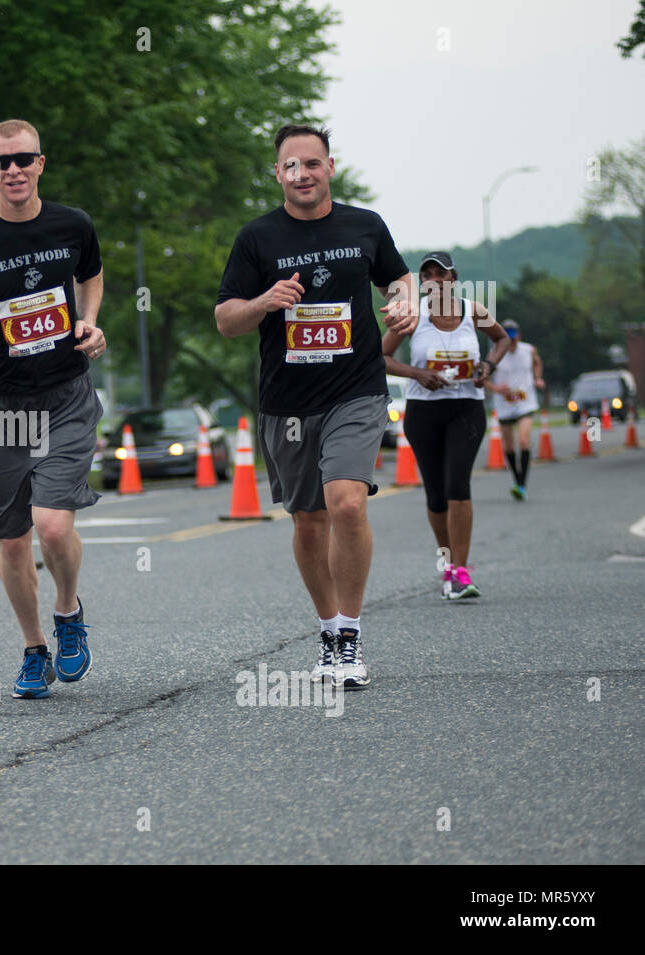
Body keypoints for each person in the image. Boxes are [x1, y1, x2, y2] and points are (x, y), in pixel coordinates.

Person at [215, 124, 417, 690]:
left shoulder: (364, 226)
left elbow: (398, 279)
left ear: (331, 166)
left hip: (356, 388)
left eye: (312, 163)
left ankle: (349, 636)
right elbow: (226, 320)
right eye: (290, 167)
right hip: (288, 402)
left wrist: (406, 304)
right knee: (309, 521)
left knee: (347, 504)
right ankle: (327, 627)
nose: (302, 174)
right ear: (277, 175)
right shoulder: (257, 239)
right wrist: (264, 300)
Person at [0, 119, 107, 699]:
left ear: (40, 164)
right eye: (2, 162)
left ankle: (68, 612)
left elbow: (92, 275)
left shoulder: (72, 224)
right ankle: (35, 648)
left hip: (65, 393)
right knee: (10, 539)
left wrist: (91, 320)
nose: (13, 170)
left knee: (53, 524)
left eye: (23, 159)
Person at [382, 252, 510, 599]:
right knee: (436, 493)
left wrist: (487, 365)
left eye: (441, 274)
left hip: (466, 408)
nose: (434, 280)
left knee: (458, 484)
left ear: (453, 279)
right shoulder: (413, 315)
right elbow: (383, 357)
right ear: (421, 284)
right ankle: (448, 564)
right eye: (427, 275)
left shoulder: (473, 311)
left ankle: (461, 573)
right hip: (424, 412)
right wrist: (418, 374)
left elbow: (502, 340)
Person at [485, 320, 544, 500]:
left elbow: (537, 362)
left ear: (519, 336)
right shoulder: (494, 353)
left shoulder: (529, 350)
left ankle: (521, 483)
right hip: (505, 404)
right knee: (508, 446)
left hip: (525, 402)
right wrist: (495, 389)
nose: (512, 343)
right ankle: (516, 479)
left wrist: (538, 378)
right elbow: (483, 377)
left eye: (514, 339)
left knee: (524, 441)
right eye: (508, 340)